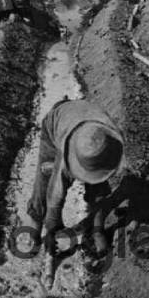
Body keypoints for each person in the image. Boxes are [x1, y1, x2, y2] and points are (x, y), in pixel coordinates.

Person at [25, 98, 124, 275]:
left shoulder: (106, 141)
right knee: (44, 179)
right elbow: (55, 198)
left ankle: (96, 230)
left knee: (99, 187)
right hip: (57, 124)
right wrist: (52, 229)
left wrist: (98, 231)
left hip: (87, 120)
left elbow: (100, 192)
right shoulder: (66, 159)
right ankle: (34, 228)